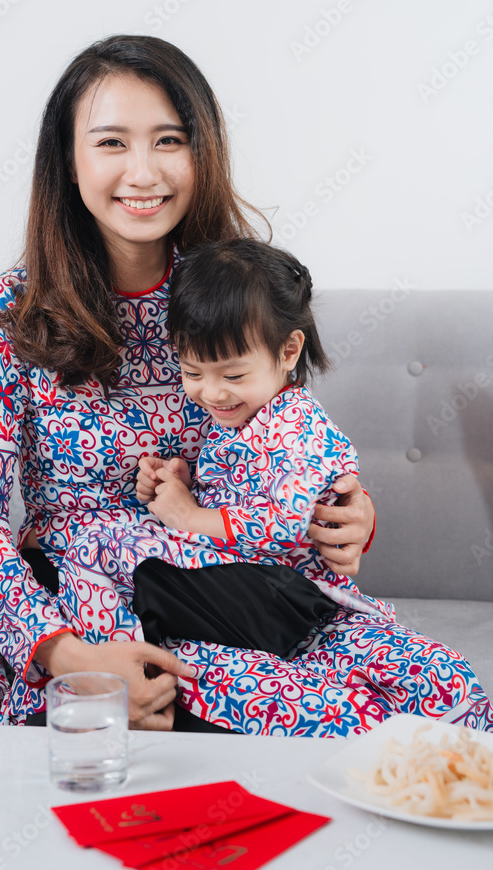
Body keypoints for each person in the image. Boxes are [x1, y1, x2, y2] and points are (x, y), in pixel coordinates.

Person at [0, 34, 376, 730]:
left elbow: (285, 446)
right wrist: (65, 655)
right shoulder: (9, 312)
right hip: (76, 602)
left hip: (220, 587)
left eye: (168, 140)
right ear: (67, 160)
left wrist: (349, 520)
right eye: (111, 143)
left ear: (202, 152)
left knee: (372, 719)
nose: (143, 171)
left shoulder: (228, 296)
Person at [57, 238, 392, 662]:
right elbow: (239, 492)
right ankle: (126, 659)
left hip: (287, 593)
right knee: (101, 552)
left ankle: (126, 662)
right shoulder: (245, 417)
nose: (212, 393)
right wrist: (180, 485)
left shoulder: (298, 425)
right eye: (192, 371)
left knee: (101, 549)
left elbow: (282, 524)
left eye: (233, 375)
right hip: (244, 581)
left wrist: (190, 516)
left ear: (289, 351)